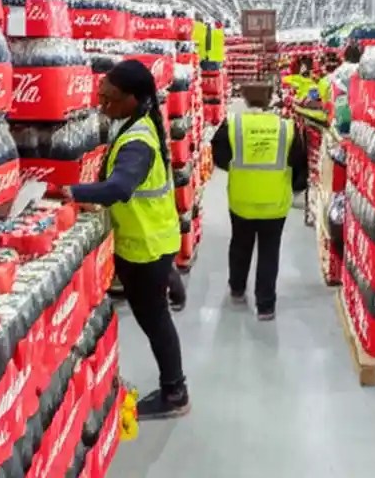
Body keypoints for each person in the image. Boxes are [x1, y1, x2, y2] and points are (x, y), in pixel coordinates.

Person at [69, 59, 189, 420]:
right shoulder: (138, 124)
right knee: (157, 310)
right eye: (100, 97)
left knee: (154, 321)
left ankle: (175, 392)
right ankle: (171, 280)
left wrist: (69, 192)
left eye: (110, 99)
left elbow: (120, 187)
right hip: (156, 239)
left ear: (133, 99)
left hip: (143, 246)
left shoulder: (137, 140)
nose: (102, 106)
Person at [210, 83, 308, 320]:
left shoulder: (233, 125)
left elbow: (219, 157)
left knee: (240, 246)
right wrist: (293, 187)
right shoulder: (287, 128)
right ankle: (265, 306)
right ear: (270, 99)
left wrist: (239, 170)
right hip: (275, 204)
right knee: (269, 252)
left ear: (244, 100)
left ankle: (237, 289)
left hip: (242, 200)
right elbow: (300, 164)